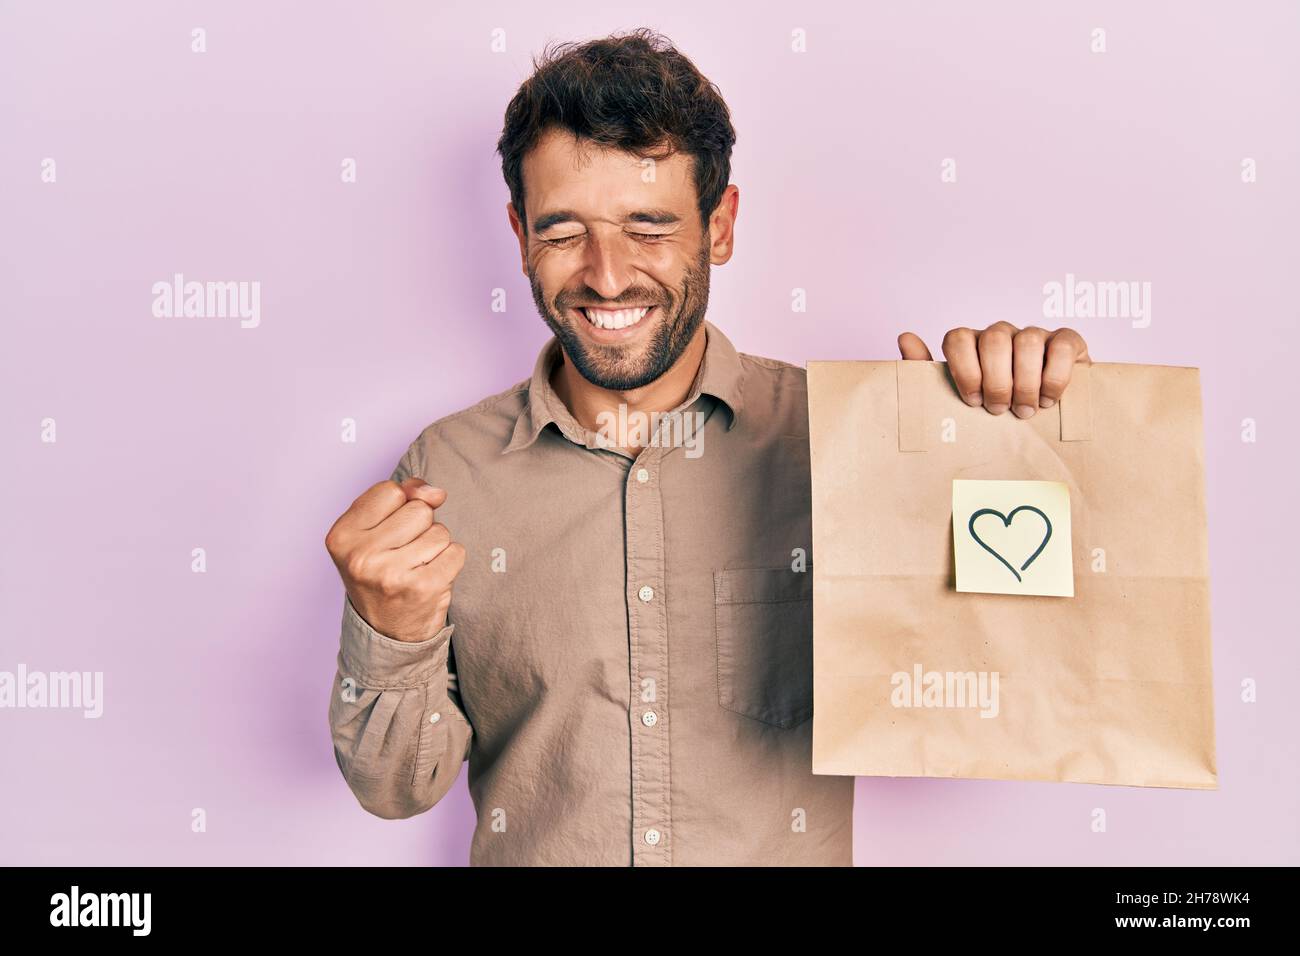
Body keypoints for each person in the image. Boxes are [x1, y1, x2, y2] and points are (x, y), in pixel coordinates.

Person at [324, 29, 1089, 866]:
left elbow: (1009, 684)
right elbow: (395, 786)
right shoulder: (448, 471)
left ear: (719, 227)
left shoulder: (847, 439)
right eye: (562, 231)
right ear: (518, 234)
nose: (607, 276)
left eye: (648, 227)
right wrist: (389, 631)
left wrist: (1012, 430)